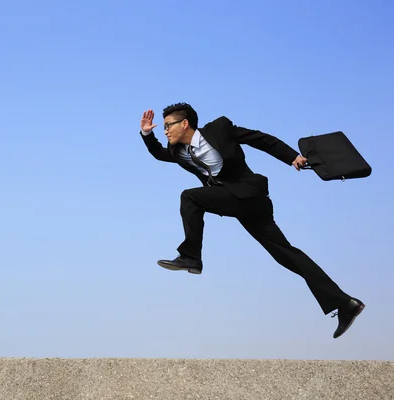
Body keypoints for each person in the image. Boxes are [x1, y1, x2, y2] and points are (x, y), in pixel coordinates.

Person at [139, 102, 364, 339]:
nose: (165, 131)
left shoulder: (219, 129)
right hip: (237, 203)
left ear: (184, 123)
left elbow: (261, 139)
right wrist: (147, 132)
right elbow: (158, 153)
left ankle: (191, 257)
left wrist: (292, 157)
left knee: (190, 197)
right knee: (286, 255)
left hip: (250, 195)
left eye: (167, 125)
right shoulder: (178, 151)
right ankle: (345, 303)